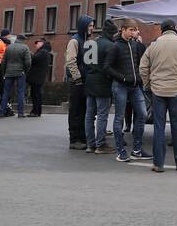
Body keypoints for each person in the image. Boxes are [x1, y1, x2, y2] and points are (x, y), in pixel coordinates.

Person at [140, 19, 177, 172]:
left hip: (158, 90)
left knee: (159, 127)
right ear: (175, 29)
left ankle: (158, 163)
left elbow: (143, 67)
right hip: (176, 90)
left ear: (162, 30)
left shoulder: (153, 46)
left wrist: (148, 84)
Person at [106, 19, 150, 162]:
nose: (133, 32)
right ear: (123, 30)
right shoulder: (115, 46)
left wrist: (139, 78)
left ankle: (137, 150)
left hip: (135, 86)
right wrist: (123, 78)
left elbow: (142, 59)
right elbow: (107, 67)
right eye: (131, 29)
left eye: (135, 29)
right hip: (121, 86)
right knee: (119, 118)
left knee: (143, 114)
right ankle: (120, 151)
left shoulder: (135, 45)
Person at [83, 19, 117, 154]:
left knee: (89, 115)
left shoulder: (91, 43)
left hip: (89, 81)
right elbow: (110, 67)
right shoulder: (110, 46)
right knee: (102, 114)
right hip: (103, 83)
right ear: (111, 33)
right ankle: (100, 144)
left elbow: (85, 64)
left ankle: (90, 144)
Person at [64, 16, 93, 149]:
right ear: (83, 26)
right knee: (76, 110)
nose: (92, 28)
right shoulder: (75, 41)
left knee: (83, 110)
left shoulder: (87, 41)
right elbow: (71, 61)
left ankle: (82, 137)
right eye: (90, 26)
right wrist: (77, 78)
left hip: (85, 81)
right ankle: (74, 139)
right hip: (77, 82)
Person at [0, 33, 32, 118]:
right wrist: (25, 70)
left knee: (6, 92)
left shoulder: (9, 47)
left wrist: (4, 72)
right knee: (20, 92)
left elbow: (3, 62)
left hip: (9, 73)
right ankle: (20, 113)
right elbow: (28, 62)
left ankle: (2, 112)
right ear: (23, 40)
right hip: (20, 72)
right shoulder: (25, 48)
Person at [28, 38, 52, 117]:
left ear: (42, 43)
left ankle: (36, 111)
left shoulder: (43, 52)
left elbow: (34, 59)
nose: (36, 45)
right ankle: (36, 111)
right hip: (39, 77)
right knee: (36, 94)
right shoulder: (45, 52)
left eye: (37, 43)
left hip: (37, 77)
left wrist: (29, 54)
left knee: (36, 94)